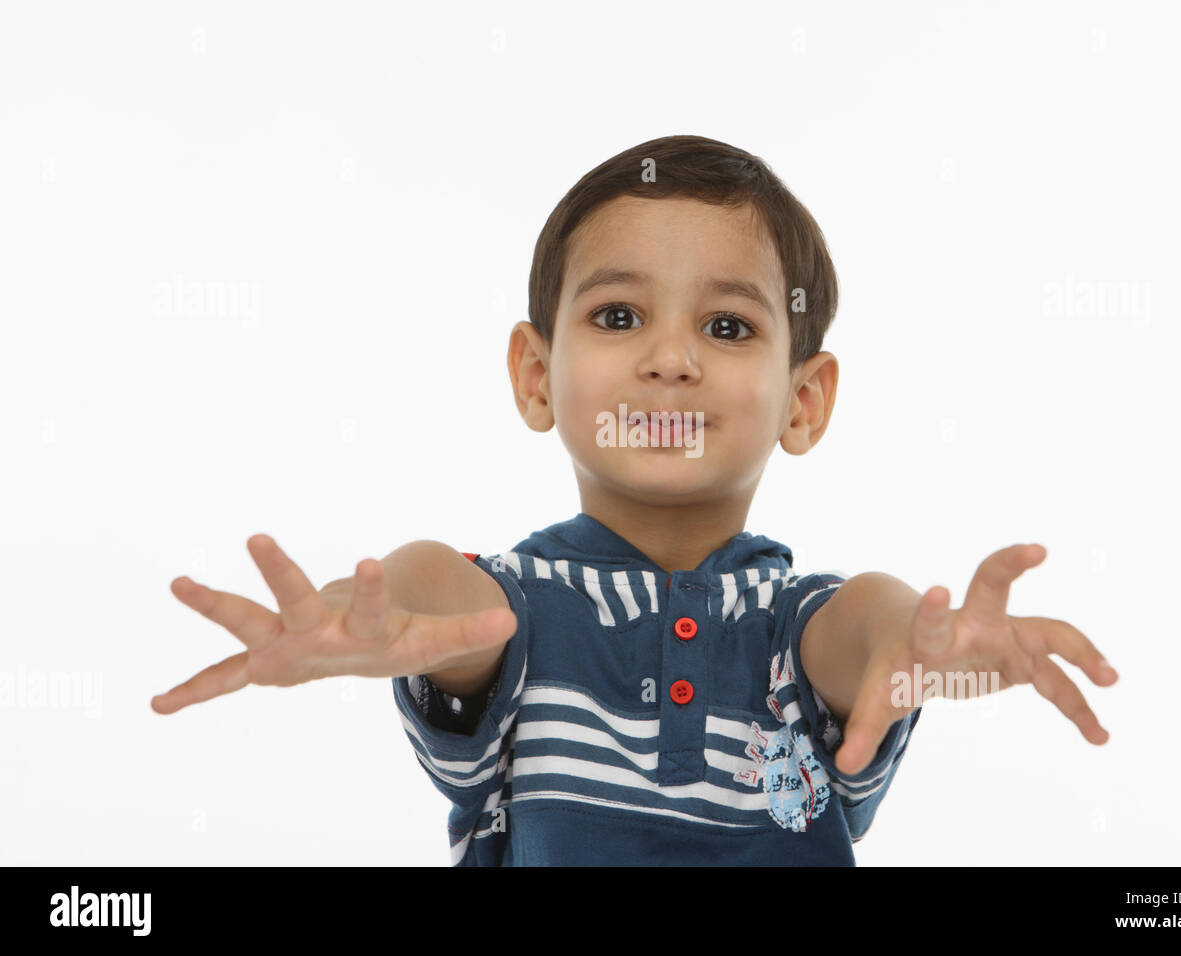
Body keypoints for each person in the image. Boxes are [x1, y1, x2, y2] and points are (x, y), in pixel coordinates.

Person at [154, 134, 1119, 866]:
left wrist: (920, 646)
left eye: (728, 325)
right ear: (536, 375)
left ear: (804, 399)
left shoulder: (798, 624)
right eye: (619, 316)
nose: (670, 358)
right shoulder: (516, 609)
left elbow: (866, 626)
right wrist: (353, 616)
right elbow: (439, 599)